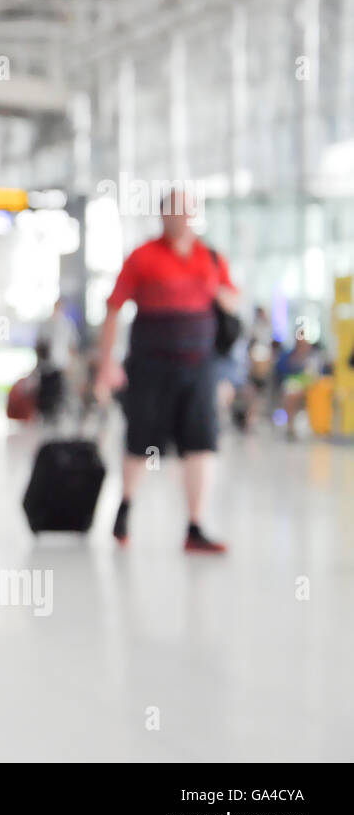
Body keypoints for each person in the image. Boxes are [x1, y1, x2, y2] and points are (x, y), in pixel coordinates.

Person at [93, 189, 239, 553]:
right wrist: (106, 364)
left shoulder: (212, 258)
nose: (181, 218)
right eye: (174, 212)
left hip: (199, 367)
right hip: (150, 366)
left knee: (200, 444)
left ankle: (195, 525)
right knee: (140, 440)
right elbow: (113, 309)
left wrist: (225, 298)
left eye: (186, 212)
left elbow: (234, 299)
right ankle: (124, 508)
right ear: (162, 216)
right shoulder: (142, 257)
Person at [36, 298, 78, 423]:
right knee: (46, 388)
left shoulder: (67, 325)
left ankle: (56, 412)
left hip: (60, 362)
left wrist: (71, 362)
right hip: (46, 364)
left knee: (58, 389)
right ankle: (45, 412)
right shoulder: (45, 324)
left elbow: (72, 345)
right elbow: (40, 344)